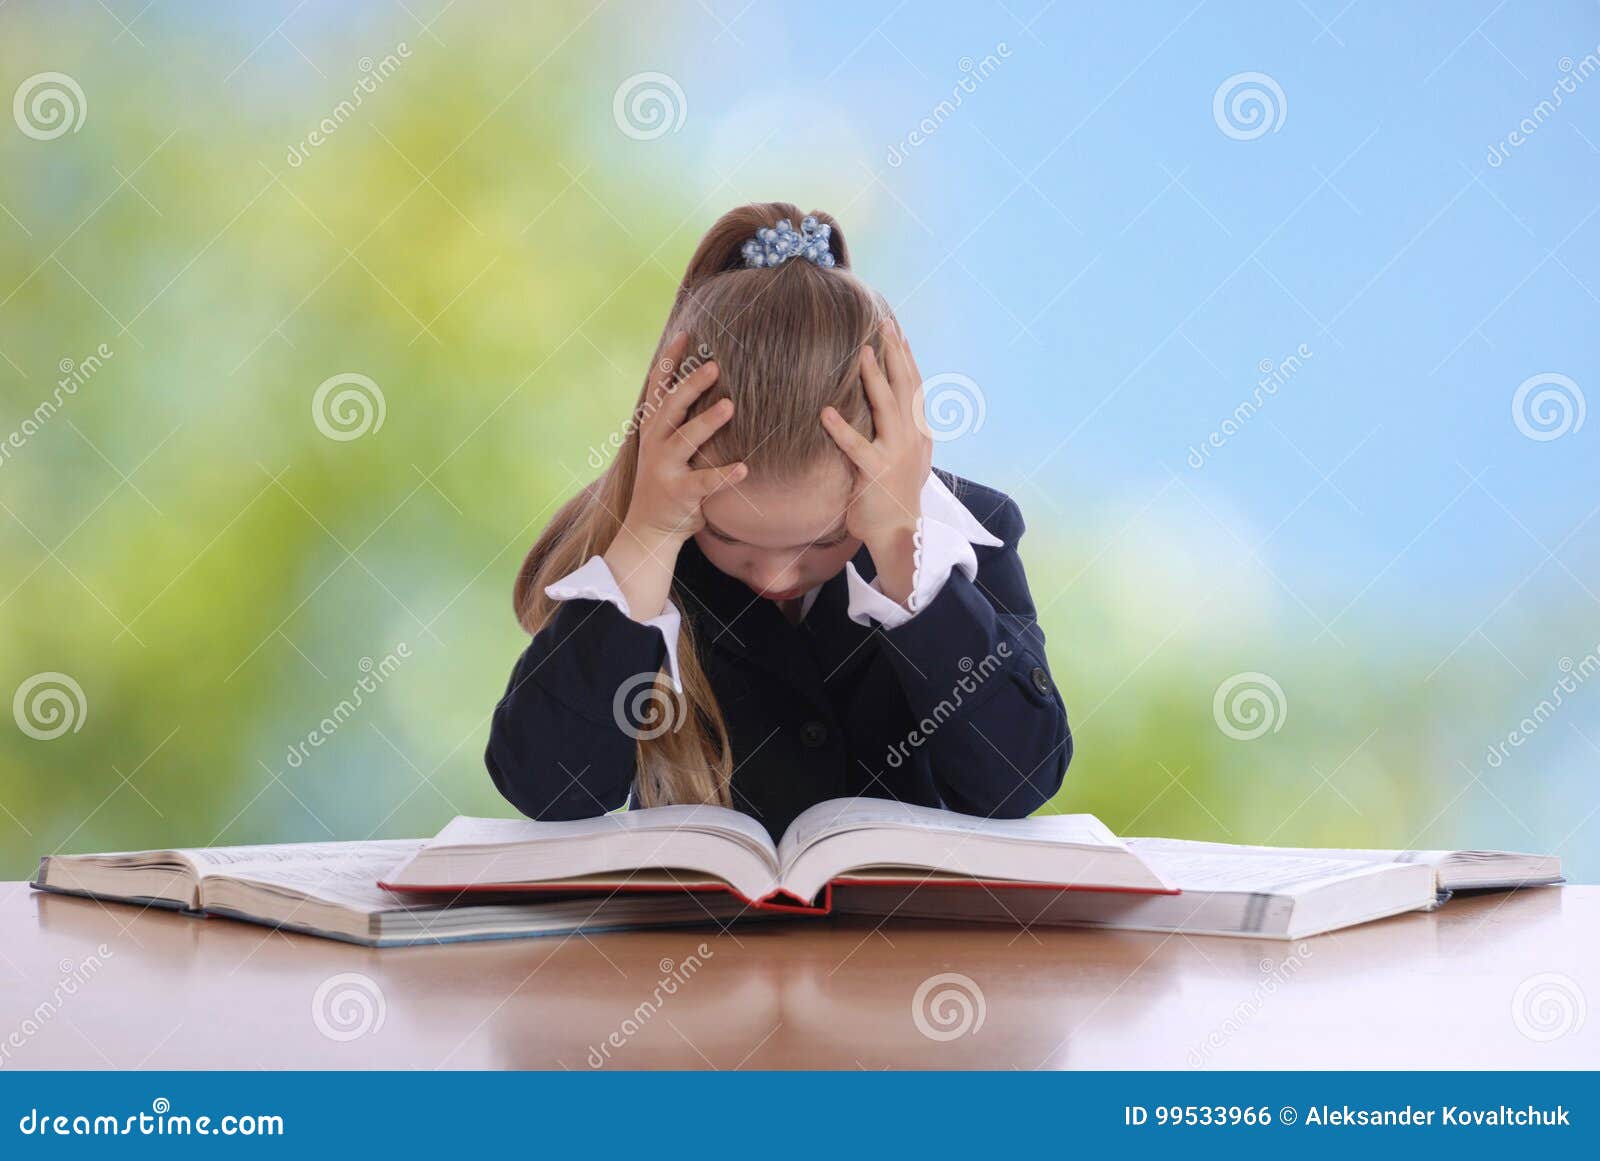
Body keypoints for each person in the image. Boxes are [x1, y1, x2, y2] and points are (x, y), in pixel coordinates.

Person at [487, 201, 1071, 841]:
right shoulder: (641, 542)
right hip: (687, 937)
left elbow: (1018, 780)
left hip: (914, 939)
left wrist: (905, 546)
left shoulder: (964, 532)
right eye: (729, 539)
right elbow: (549, 791)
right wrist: (648, 542)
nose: (774, 577)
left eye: (825, 540)